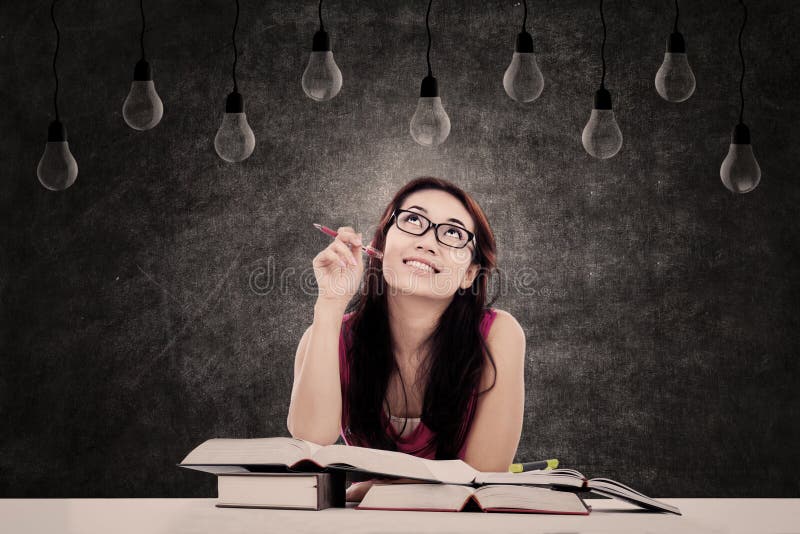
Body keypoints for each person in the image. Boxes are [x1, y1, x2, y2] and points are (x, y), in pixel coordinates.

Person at [287, 177, 526, 501]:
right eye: (413, 220)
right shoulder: (330, 335)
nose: (428, 242)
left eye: (453, 232)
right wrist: (330, 302)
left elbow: (482, 476)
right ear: (381, 246)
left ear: (470, 273)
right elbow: (312, 438)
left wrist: (372, 488)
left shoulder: (499, 335)